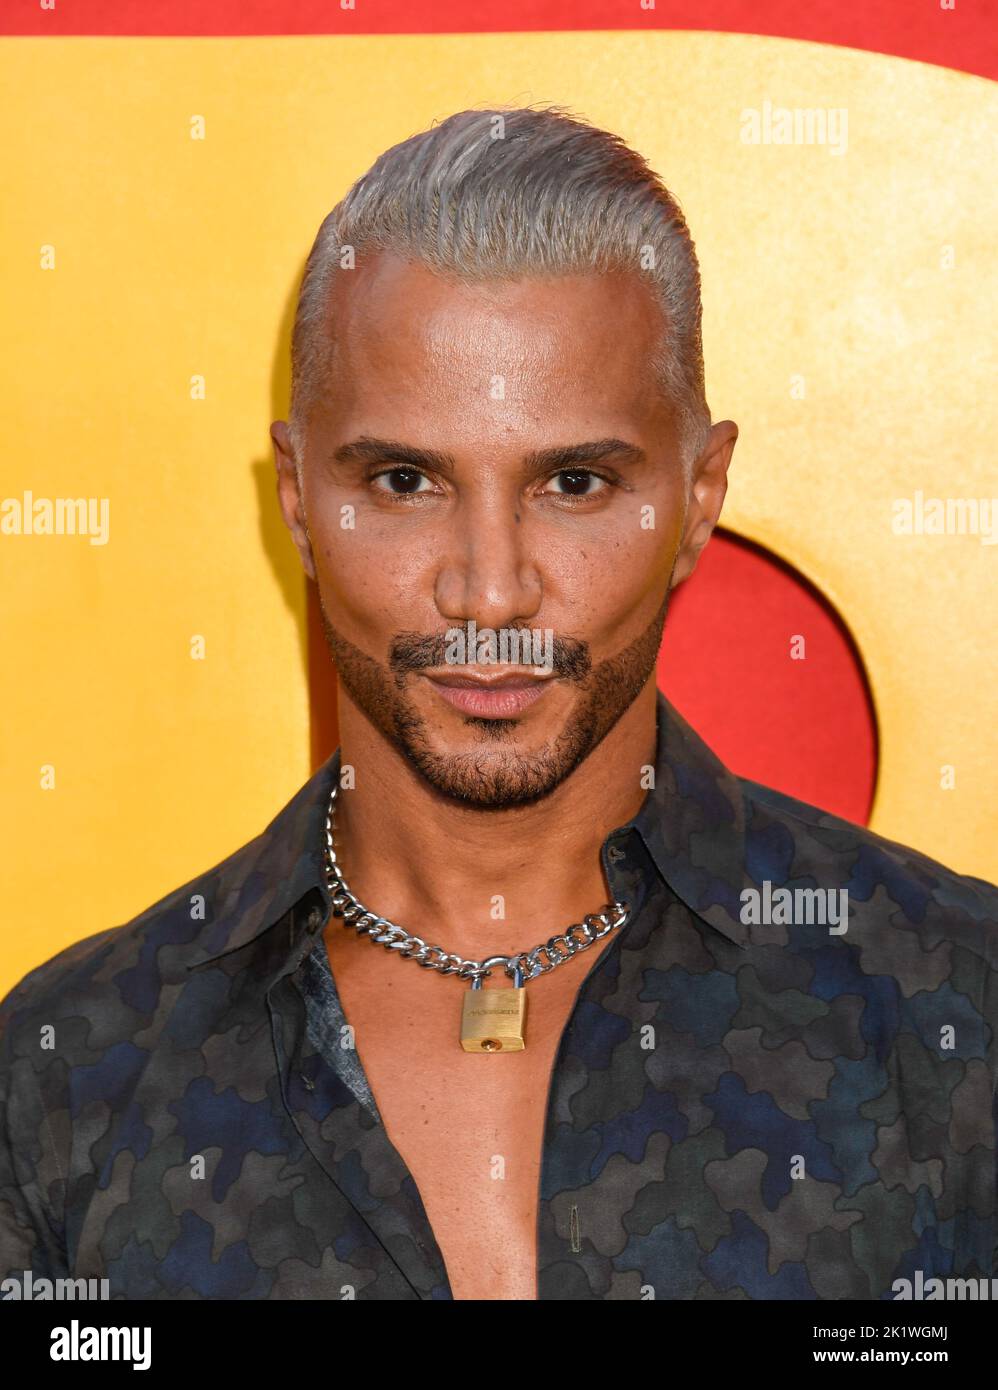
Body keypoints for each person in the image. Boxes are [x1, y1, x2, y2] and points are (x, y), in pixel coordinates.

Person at [2, 105, 996, 1303]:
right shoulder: (65, 1076)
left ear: (695, 497)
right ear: (300, 499)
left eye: (573, 483)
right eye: (406, 480)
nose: (488, 587)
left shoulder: (957, 1018)